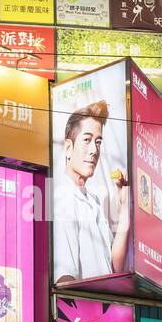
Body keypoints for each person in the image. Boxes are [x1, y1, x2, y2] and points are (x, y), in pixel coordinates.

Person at [53, 100, 130, 283]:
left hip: (102, 306)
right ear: (68, 148)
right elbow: (64, 277)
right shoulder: (63, 197)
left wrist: (124, 206)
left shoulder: (93, 201)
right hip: (83, 308)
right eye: (87, 140)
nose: (94, 150)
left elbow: (114, 267)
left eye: (98, 142)